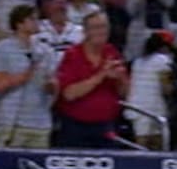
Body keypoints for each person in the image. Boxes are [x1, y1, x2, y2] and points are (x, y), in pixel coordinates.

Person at [54, 12, 128, 149]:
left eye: (104, 27)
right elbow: (69, 94)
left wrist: (121, 78)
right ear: (85, 31)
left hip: (106, 127)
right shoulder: (73, 55)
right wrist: (101, 75)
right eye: (96, 27)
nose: (101, 31)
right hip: (75, 128)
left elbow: (124, 93)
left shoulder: (112, 53)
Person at [0, 4, 57, 149]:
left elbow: (53, 82)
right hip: (12, 123)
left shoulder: (45, 51)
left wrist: (51, 86)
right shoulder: (1, 49)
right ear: (19, 24)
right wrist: (24, 76)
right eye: (32, 19)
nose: (37, 22)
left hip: (40, 123)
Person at [128, 31, 174, 150]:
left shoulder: (137, 61)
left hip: (136, 106)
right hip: (153, 107)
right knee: (156, 144)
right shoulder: (163, 60)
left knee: (141, 142)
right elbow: (166, 88)